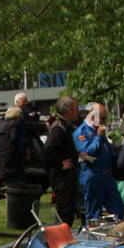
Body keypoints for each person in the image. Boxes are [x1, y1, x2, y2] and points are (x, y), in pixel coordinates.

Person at [74, 102, 124, 223]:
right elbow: (88, 152)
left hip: (107, 176)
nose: (104, 121)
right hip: (93, 175)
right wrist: (98, 136)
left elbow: (109, 153)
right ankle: (92, 237)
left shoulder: (100, 132)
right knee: (93, 214)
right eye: (102, 118)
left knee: (118, 210)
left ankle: (114, 233)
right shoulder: (81, 132)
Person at [43, 96, 81, 227]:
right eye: (76, 108)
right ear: (69, 110)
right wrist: (60, 164)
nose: (78, 112)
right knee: (64, 214)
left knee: (68, 213)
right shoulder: (59, 128)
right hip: (61, 178)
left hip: (67, 178)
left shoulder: (66, 126)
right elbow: (47, 149)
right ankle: (60, 241)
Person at [0, 104, 26, 187]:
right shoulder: (15, 124)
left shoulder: (2, 124)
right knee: (14, 177)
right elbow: (14, 139)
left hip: (1, 153)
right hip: (11, 154)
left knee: (4, 176)